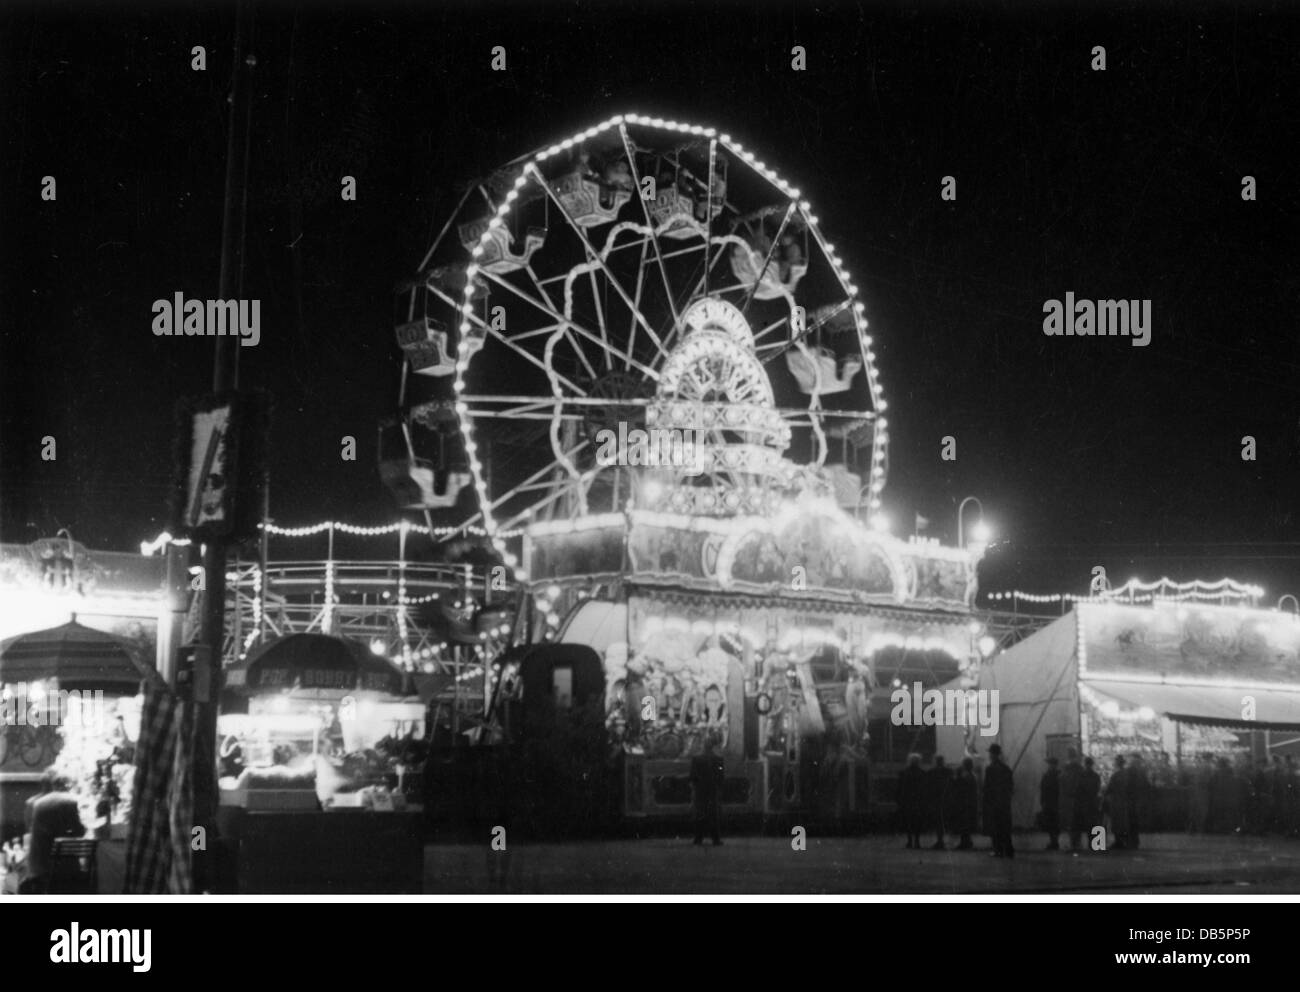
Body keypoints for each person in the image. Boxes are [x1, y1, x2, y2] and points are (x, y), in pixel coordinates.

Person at [20, 771, 85, 894]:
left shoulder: (38, 803)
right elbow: (79, 831)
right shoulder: (72, 800)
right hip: (63, 869)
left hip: (39, 864)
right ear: (68, 786)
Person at [689, 733, 725, 846]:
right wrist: (718, 787)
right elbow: (721, 775)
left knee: (700, 813)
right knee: (713, 814)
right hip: (712, 789)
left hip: (700, 789)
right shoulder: (718, 759)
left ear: (703, 745)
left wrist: (695, 786)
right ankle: (715, 838)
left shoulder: (696, 758)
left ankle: (698, 838)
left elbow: (693, 775)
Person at [982, 744, 1015, 858]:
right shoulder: (1006, 769)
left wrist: (986, 802)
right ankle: (1009, 850)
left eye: (990, 753)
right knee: (1005, 827)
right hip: (1004, 803)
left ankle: (998, 850)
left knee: (995, 827)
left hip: (993, 803)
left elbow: (987, 788)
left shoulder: (990, 769)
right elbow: (1010, 787)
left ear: (992, 754)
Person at [897, 753, 926, 850]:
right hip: (918, 800)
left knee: (908, 821)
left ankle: (909, 841)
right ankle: (917, 841)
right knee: (917, 822)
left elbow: (900, 788)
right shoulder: (922, 773)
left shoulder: (904, 772)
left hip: (907, 800)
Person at [950, 757, 979, 849]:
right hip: (971, 801)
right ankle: (967, 841)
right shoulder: (972, 775)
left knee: (963, 822)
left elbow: (960, 787)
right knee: (967, 823)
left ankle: (965, 842)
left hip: (964, 802)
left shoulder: (966, 776)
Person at [1058, 750, 1084, 851]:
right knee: (1077, 821)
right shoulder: (1080, 769)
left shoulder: (1066, 769)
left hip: (1068, 799)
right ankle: (1077, 842)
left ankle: (1073, 842)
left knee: (1070, 821)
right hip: (1078, 799)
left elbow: (1062, 783)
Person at [1106, 756, 1131, 849]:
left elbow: (1109, 788)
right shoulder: (1126, 774)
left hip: (1116, 801)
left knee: (1116, 821)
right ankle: (1124, 841)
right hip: (1124, 800)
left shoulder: (1115, 775)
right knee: (1123, 821)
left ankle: (1118, 841)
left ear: (1117, 763)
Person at [926, 755, 951, 850]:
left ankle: (939, 840)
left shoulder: (931, 772)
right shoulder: (948, 772)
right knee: (943, 821)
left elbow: (928, 787)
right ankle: (941, 840)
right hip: (945, 800)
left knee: (937, 821)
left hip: (935, 800)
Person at [1080, 756, 1102, 848]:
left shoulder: (1082, 775)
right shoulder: (1096, 776)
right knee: (1094, 822)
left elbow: (1079, 788)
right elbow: (1098, 788)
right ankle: (1096, 844)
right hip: (1093, 801)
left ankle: (1090, 842)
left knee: (1087, 822)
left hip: (1085, 801)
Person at [1040, 757, 1061, 850]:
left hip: (1053, 802)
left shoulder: (1050, 775)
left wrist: (1043, 800)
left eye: (1050, 764)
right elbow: (1042, 788)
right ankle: (1054, 841)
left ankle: (1054, 841)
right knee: (1051, 822)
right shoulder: (1054, 775)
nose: (1049, 766)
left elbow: (1043, 788)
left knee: (1053, 823)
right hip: (1052, 802)